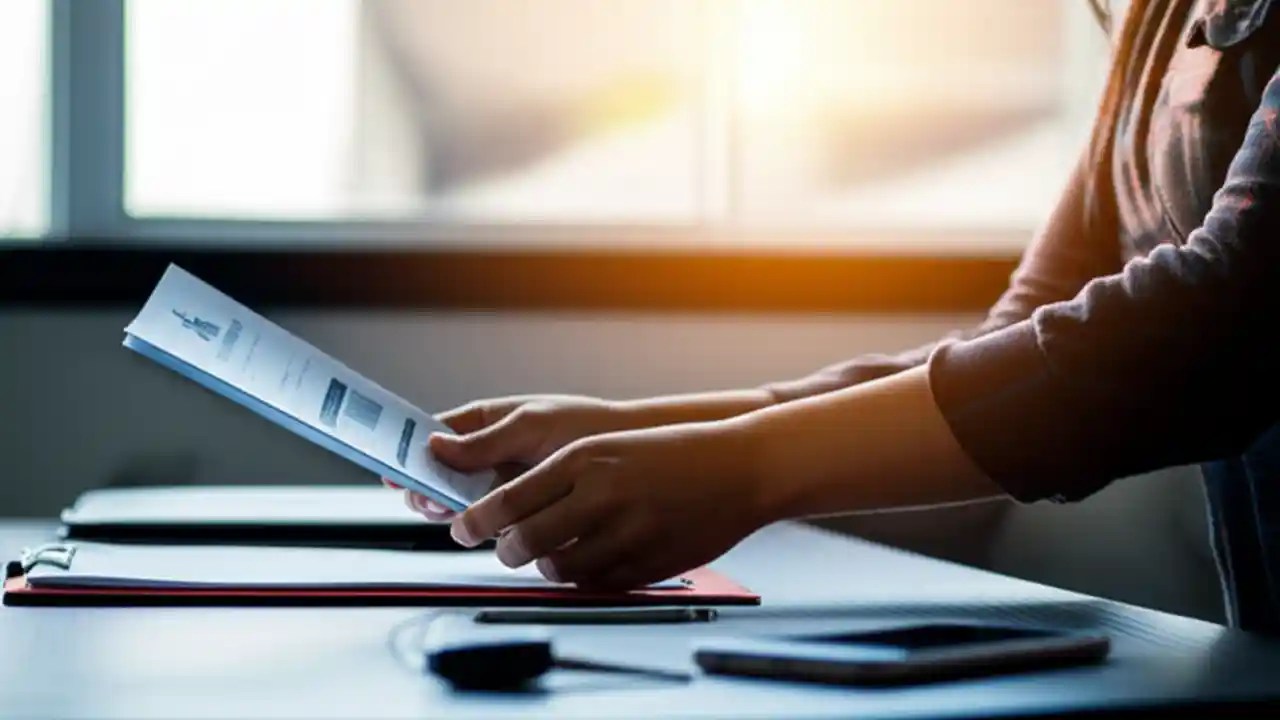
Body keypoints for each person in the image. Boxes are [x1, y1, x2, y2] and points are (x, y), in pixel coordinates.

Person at [389, 0, 1280, 632]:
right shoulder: (1157, 17)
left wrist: (744, 469)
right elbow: (1017, 340)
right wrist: (637, 432)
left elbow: (1215, 328)